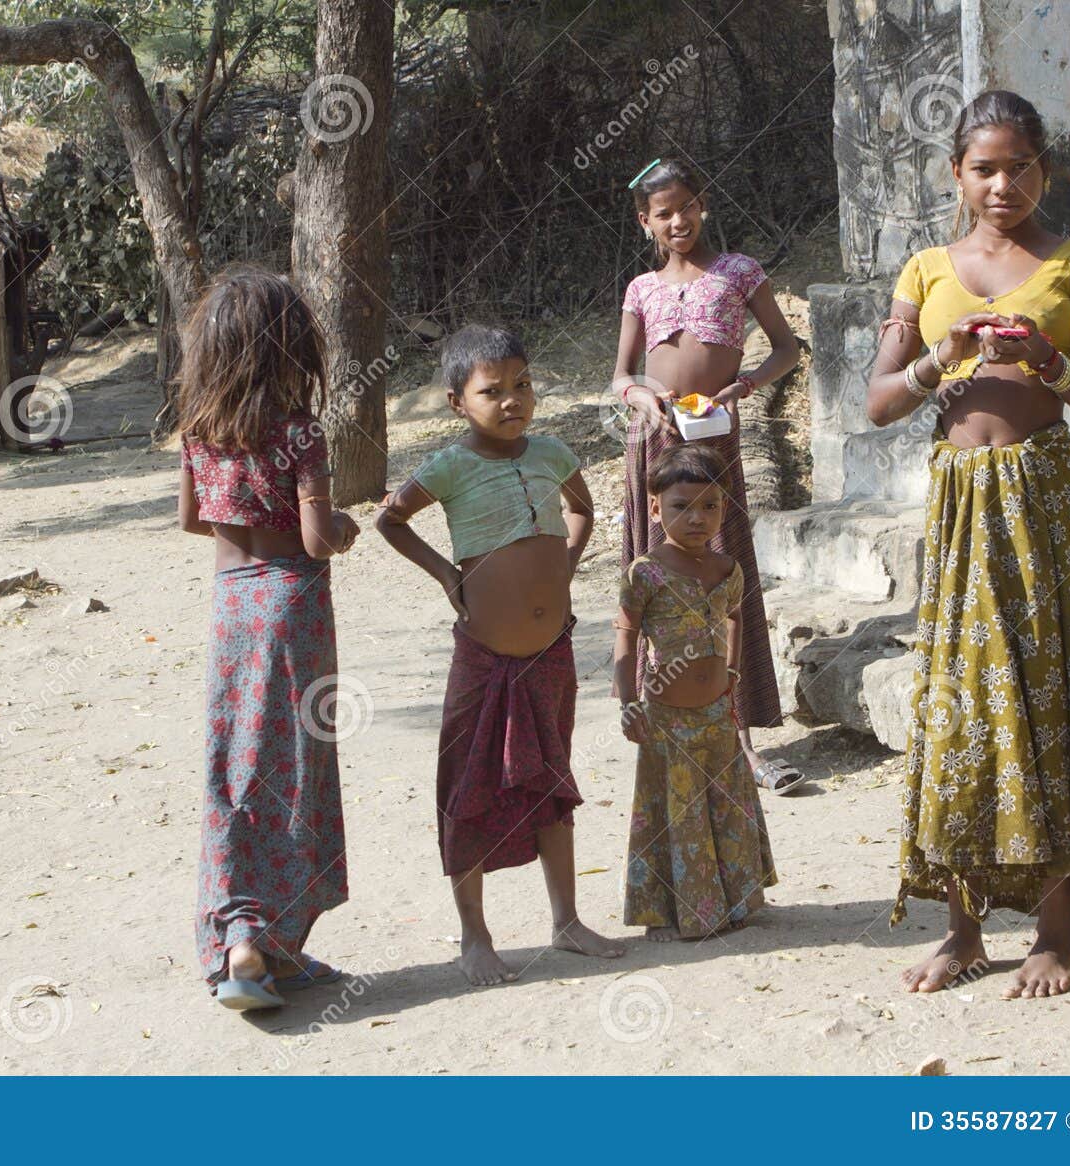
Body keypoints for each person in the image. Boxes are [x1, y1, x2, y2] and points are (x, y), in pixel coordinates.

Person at [869, 90, 1070, 999]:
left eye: (1019, 166)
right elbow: (880, 400)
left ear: (1043, 171)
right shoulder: (925, 270)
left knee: (1044, 692)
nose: (1003, 183)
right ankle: (963, 929)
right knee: (961, 703)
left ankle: (1054, 934)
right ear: (957, 175)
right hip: (960, 502)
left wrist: (1046, 361)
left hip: (1041, 497)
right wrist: (947, 355)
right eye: (985, 167)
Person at [376, 324, 625, 985]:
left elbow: (582, 510)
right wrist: (446, 576)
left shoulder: (550, 452)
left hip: (553, 652)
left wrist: (565, 567)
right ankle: (475, 934)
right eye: (492, 391)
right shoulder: (450, 467)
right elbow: (390, 520)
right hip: (485, 654)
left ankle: (567, 921)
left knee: (553, 781)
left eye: (523, 385)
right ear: (458, 402)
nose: (512, 400)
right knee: (468, 786)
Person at [177, 269, 361, 1011]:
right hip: (293, 609)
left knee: (236, 762)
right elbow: (317, 541)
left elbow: (193, 522)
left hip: (232, 608)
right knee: (294, 764)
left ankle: (241, 938)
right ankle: (264, 940)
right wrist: (341, 526)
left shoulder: (199, 429)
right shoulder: (299, 432)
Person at [612, 156, 807, 794]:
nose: (678, 221)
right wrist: (642, 398)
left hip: (713, 445)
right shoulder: (640, 288)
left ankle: (740, 740)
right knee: (661, 580)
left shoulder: (739, 273)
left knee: (721, 579)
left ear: (704, 206)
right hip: (653, 449)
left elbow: (787, 349)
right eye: (663, 213)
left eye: (686, 207)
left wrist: (741, 389)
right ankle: (665, 721)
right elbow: (622, 376)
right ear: (645, 222)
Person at [614, 443, 778, 941]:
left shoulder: (727, 571)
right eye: (682, 506)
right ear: (655, 505)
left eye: (710, 506)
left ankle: (733, 901)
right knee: (674, 814)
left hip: (716, 715)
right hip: (667, 718)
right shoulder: (646, 572)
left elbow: (734, 618)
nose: (696, 518)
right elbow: (625, 635)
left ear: (724, 509)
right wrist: (628, 703)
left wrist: (732, 675)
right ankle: (675, 911)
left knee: (727, 805)